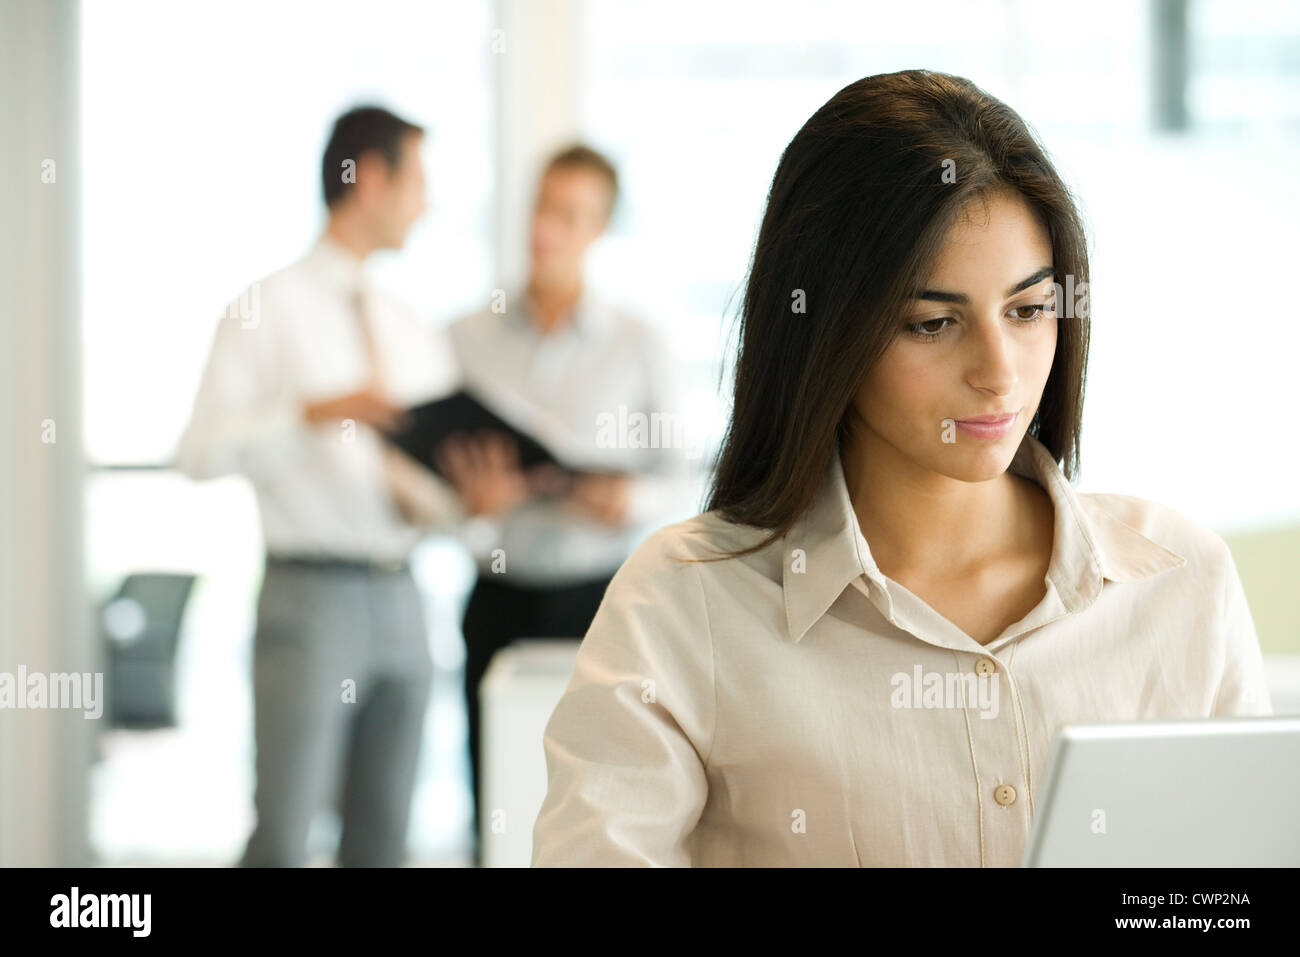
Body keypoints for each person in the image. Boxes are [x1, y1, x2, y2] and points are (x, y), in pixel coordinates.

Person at [531, 70, 1274, 867]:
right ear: (827, 335)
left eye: (1027, 310)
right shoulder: (685, 605)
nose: (999, 370)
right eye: (933, 323)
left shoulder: (1178, 579)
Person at [175, 105, 468, 867]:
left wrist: (472, 501)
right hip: (309, 598)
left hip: (404, 595)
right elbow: (199, 452)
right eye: (418, 182)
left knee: (384, 838)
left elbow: (435, 485)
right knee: (284, 830)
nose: (427, 204)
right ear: (370, 179)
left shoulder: (409, 323)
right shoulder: (264, 307)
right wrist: (311, 413)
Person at [436, 144, 694, 865]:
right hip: (498, 596)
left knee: (602, 802)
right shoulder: (465, 336)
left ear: (599, 228)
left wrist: (626, 495)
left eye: (571, 215)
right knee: (495, 799)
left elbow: (680, 477)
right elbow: (434, 485)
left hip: (600, 604)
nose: (548, 227)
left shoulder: (638, 342)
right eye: (544, 207)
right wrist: (476, 503)